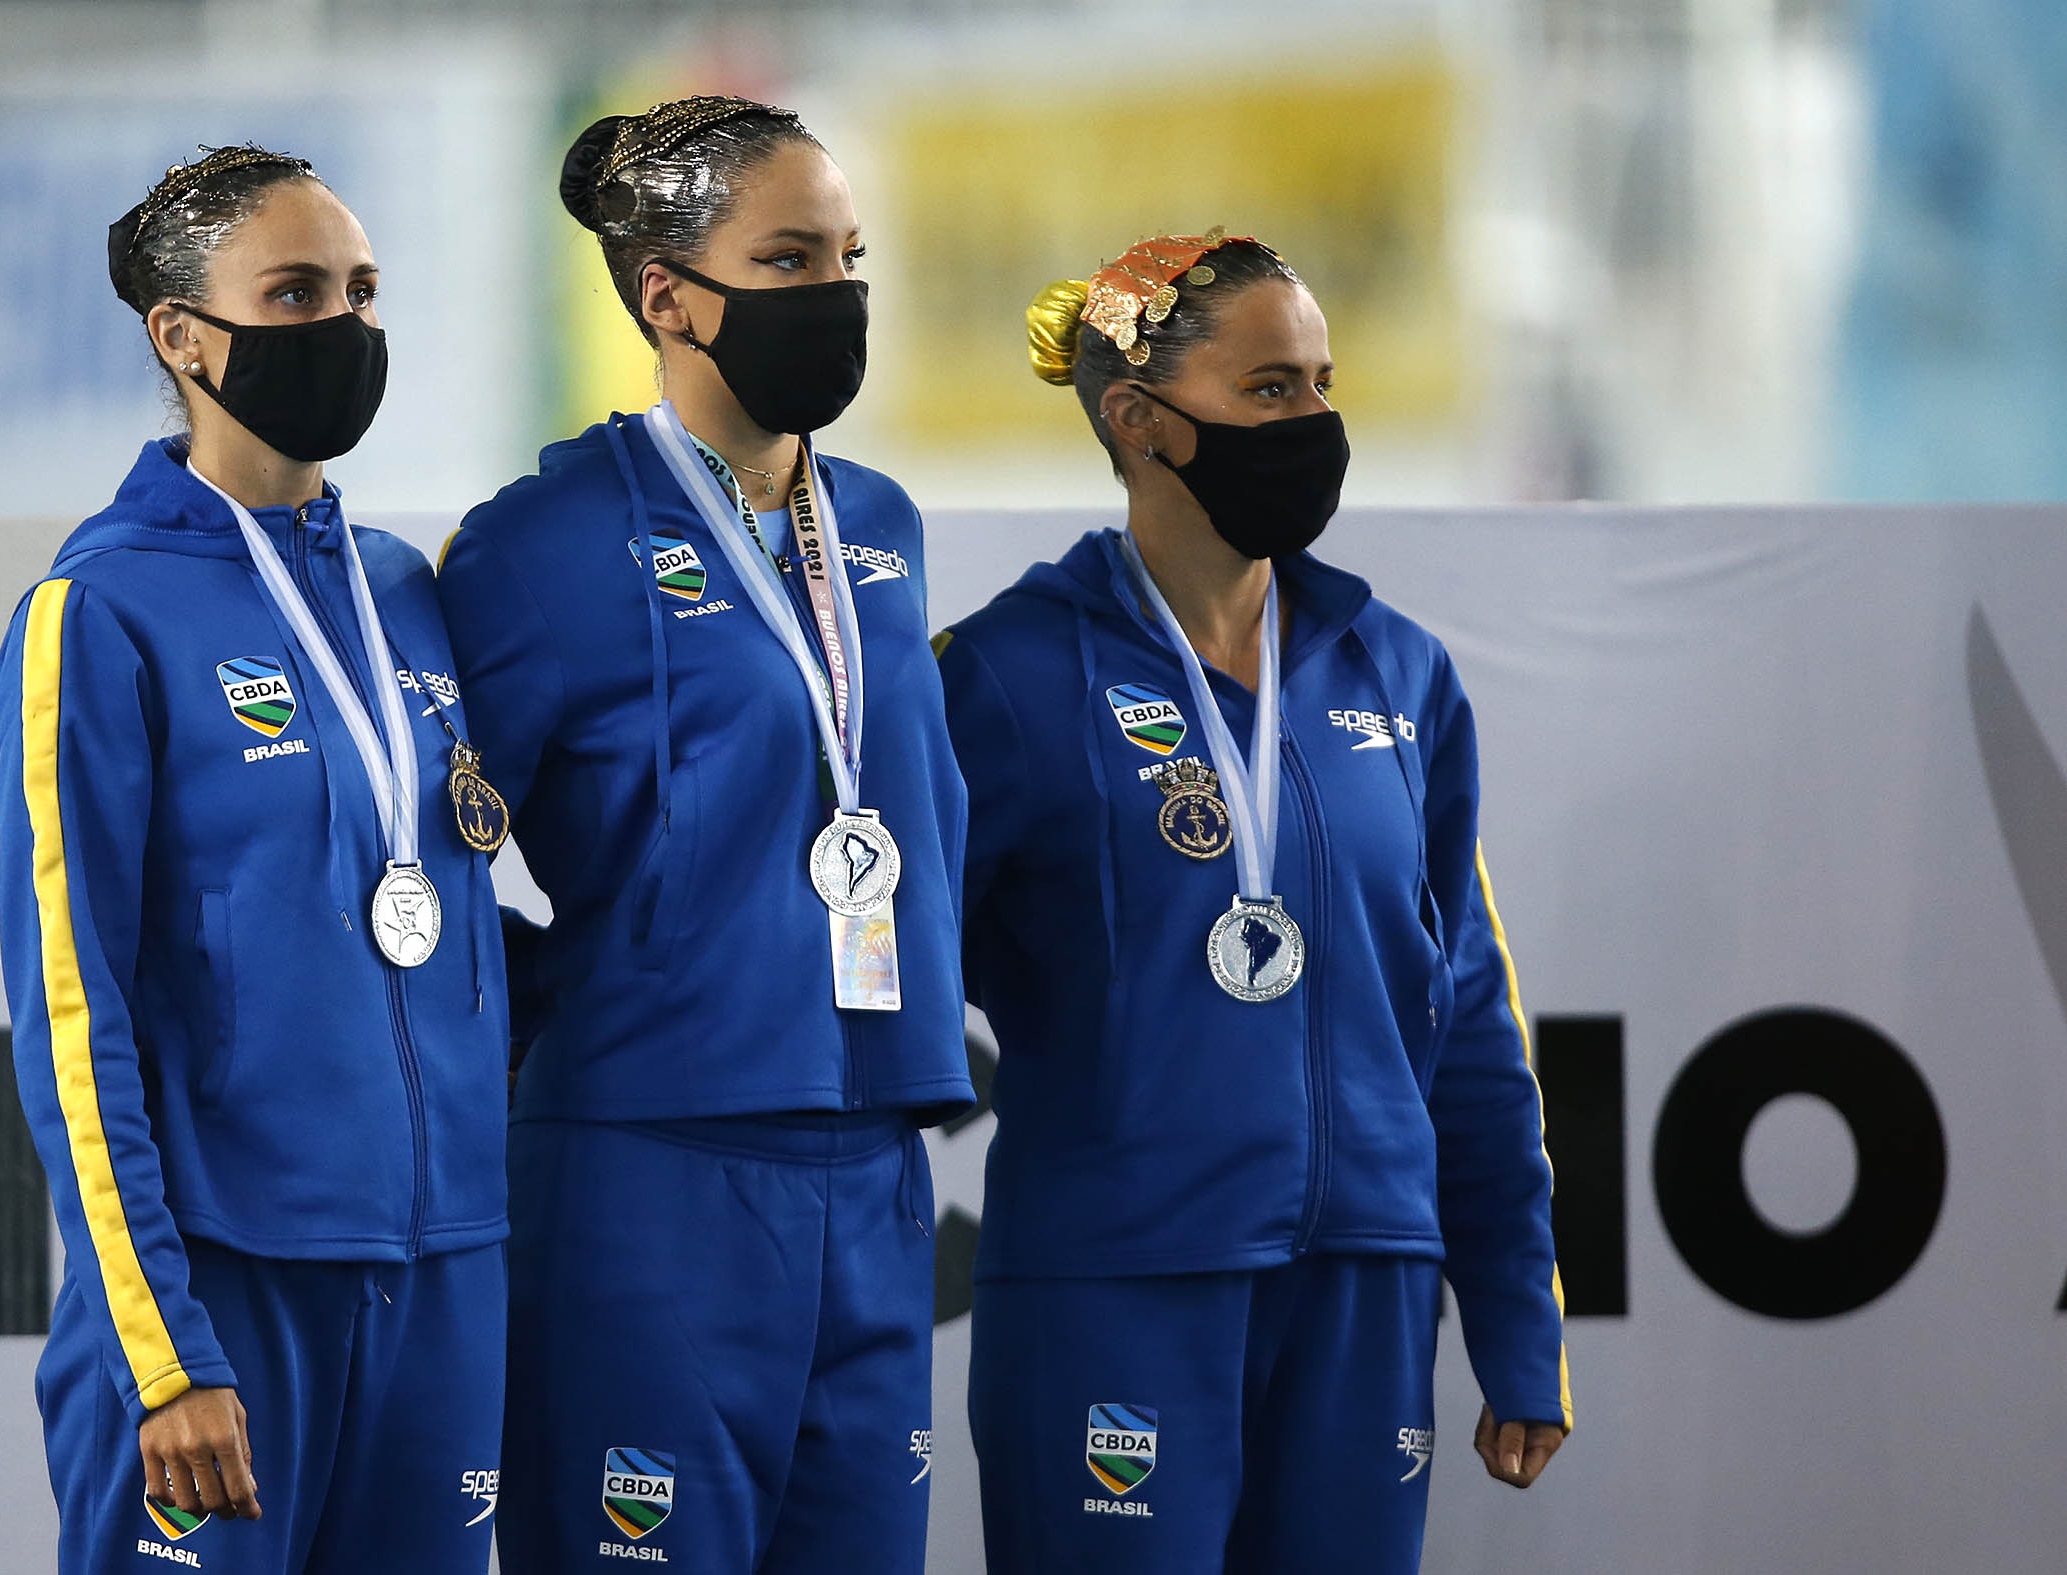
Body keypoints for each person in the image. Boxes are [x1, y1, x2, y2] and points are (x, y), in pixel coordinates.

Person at [938, 231, 1570, 1573]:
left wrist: (1513, 1318)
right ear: (1139, 421)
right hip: (1116, 1284)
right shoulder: (1000, 677)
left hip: (1366, 1284)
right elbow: (890, 978)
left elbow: (1459, 1019)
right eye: (1271, 389)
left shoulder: (1397, 673)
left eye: (1323, 383)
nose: (1316, 421)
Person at [435, 96, 972, 1575]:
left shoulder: (879, 524)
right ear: (667, 295)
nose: (837, 296)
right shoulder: (538, 542)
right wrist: (586, 1004)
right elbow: (428, 840)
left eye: (850, 256)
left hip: (871, 1151)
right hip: (647, 1163)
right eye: (790, 258)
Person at [0, 145, 512, 1574]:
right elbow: (71, 1010)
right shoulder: (95, 611)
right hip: (227, 1290)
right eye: (292, 293)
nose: (340, 328)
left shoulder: (409, 591)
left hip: (442, 1273)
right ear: (181, 336)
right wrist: (162, 1352)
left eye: (359, 290)